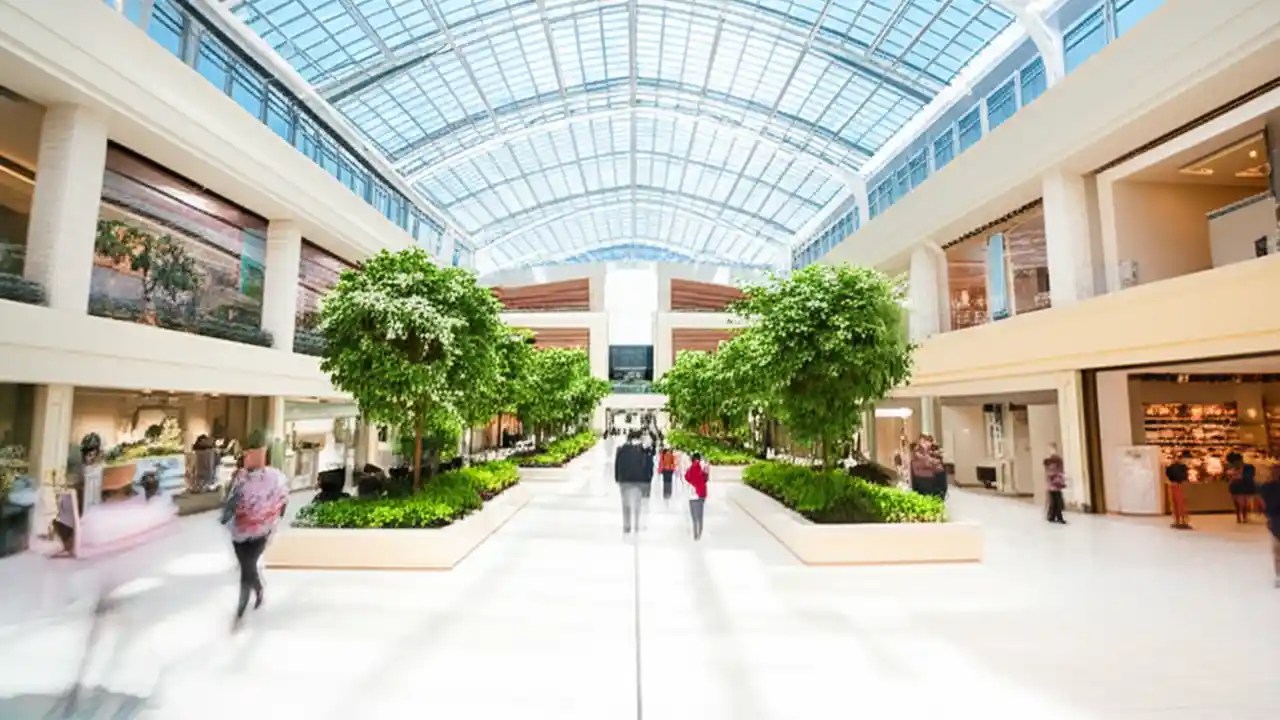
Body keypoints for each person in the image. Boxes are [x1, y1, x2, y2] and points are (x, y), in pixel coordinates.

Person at [221, 461, 288, 625]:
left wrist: (272, 519)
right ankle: (258, 589)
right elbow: (228, 503)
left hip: (260, 533)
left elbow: (283, 501)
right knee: (247, 566)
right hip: (240, 533)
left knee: (247, 568)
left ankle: (240, 610)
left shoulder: (273, 477)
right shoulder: (238, 479)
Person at [614, 430, 649, 534]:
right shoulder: (642, 450)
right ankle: (636, 526)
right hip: (639, 480)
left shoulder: (621, 449)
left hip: (624, 480)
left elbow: (617, 465)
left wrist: (617, 478)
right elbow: (646, 465)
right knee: (637, 504)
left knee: (625, 505)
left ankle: (627, 527)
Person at [1256, 474, 1280, 588]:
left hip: (1275, 520)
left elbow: (1262, 501)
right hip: (1275, 519)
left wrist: (1267, 515)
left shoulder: (1267, 487)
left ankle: (1279, 575)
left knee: (1277, 550)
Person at [1226, 451, 1256, 523]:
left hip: (1243, 486)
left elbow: (1249, 477)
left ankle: (1242, 516)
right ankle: (1240, 516)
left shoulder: (1248, 467)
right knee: (1238, 502)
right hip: (1237, 487)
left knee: (1243, 502)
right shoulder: (1232, 468)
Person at [685, 452, 709, 540]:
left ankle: (696, 534)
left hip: (692, 495)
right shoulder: (702, 468)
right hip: (701, 494)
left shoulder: (690, 469)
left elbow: (686, 478)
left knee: (694, 516)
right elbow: (706, 479)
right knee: (700, 515)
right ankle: (700, 533)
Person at [1165, 450, 1192, 530]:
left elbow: (1180, 476)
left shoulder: (1178, 467)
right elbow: (1183, 476)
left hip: (1178, 486)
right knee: (1176, 503)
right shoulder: (1178, 467)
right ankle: (1179, 520)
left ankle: (1182, 520)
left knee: (1179, 504)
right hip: (1176, 485)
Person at [1044, 444, 1067, 524]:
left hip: (1056, 484)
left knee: (1056, 502)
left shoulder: (1057, 460)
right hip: (1053, 485)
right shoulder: (1049, 461)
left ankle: (1053, 517)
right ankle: (1055, 517)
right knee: (1055, 502)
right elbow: (1049, 472)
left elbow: (1060, 470)